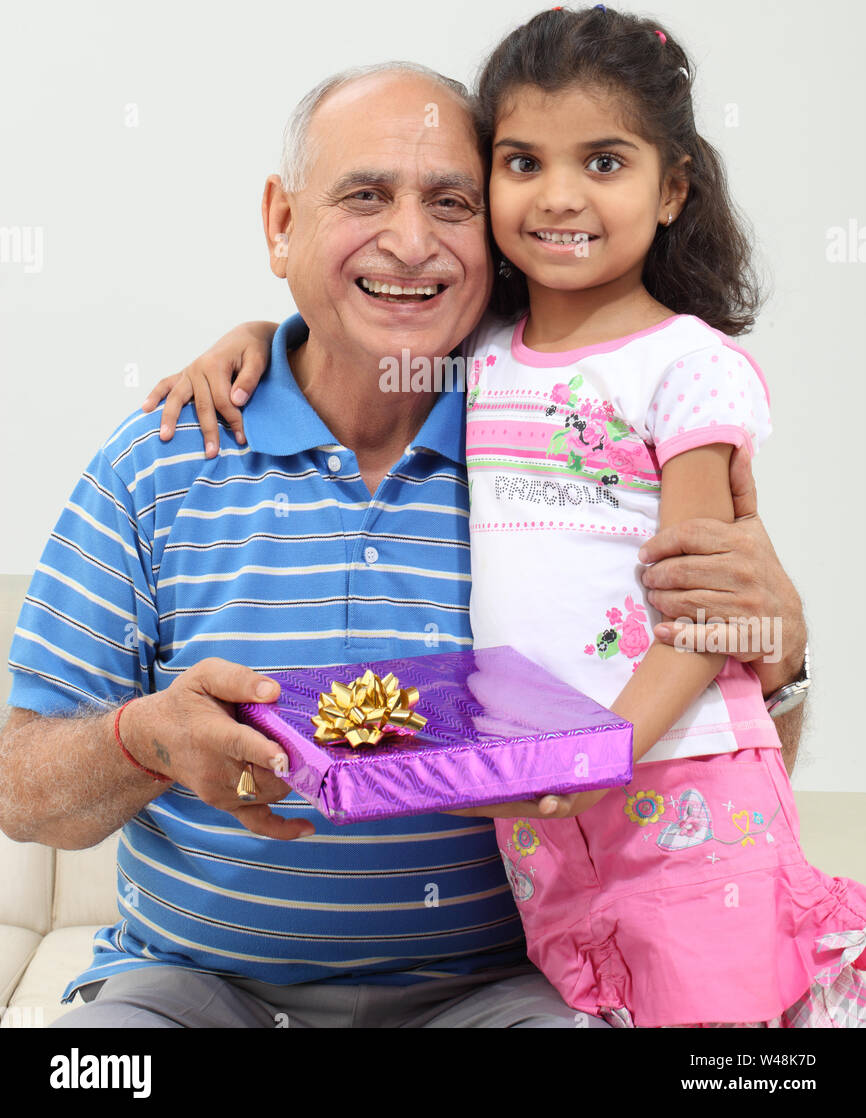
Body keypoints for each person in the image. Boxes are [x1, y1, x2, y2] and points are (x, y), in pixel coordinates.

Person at [0, 57, 806, 1030]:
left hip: (495, 993)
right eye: (365, 194)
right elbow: (23, 794)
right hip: (187, 994)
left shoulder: (549, 456)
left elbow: (714, 770)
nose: (411, 241)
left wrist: (776, 655)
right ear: (280, 222)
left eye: (451, 203)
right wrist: (144, 739)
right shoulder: (162, 461)